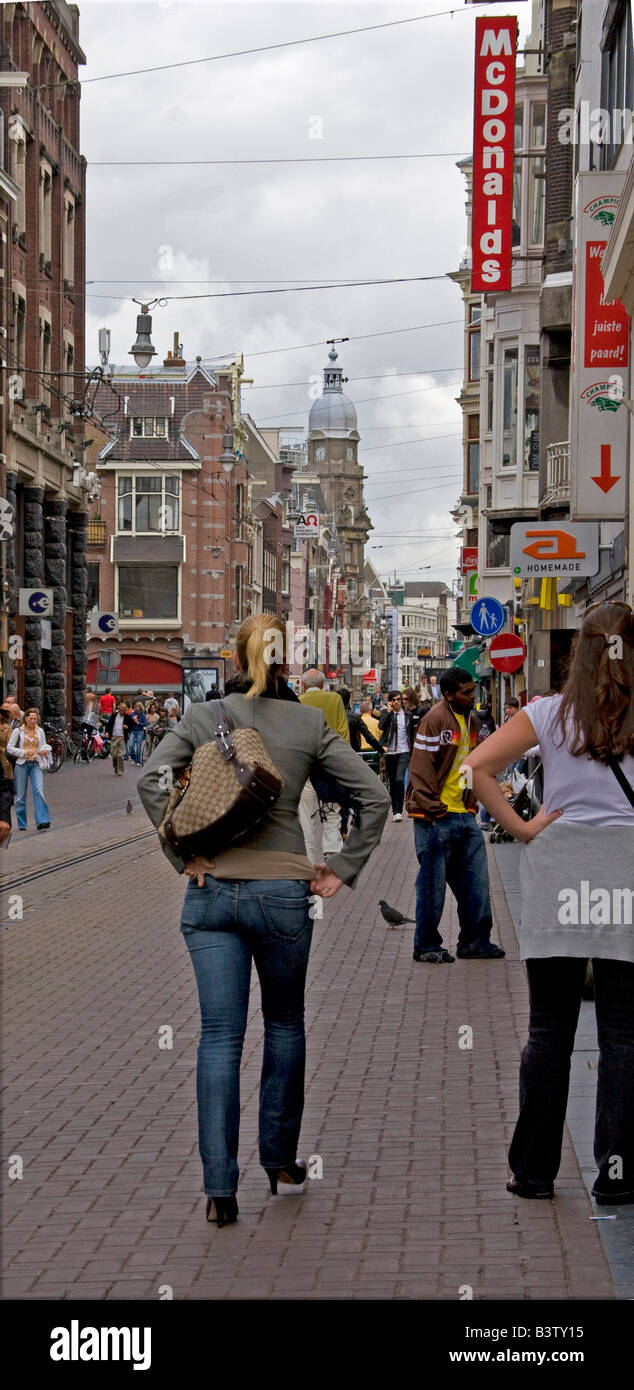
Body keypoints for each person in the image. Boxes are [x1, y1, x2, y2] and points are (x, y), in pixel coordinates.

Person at [137, 613, 390, 1228]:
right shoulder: (307, 721)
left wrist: (184, 855)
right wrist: (338, 870)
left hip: (212, 892)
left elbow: (152, 779)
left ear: (234, 655)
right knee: (284, 1024)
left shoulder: (202, 717)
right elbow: (375, 797)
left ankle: (220, 1190)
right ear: (285, 660)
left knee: (219, 1037)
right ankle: (279, 1163)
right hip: (281, 892)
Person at [463, 601, 634, 1204]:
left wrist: (524, 826)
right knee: (622, 1035)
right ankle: (617, 1175)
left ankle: (534, 1172)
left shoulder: (549, 713)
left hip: (559, 874)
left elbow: (478, 767)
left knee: (549, 1029)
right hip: (627, 877)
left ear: (578, 653)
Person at [405, 668, 505, 963]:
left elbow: (473, 763)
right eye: (466, 693)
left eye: (473, 691)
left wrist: (472, 802)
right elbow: (421, 765)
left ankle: (475, 941)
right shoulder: (435, 719)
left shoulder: (470, 720)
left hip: (463, 814)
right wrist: (432, 807)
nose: (472, 697)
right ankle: (426, 946)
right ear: (449, 695)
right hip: (436, 817)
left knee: (477, 884)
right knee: (432, 888)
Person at [298, 669, 349, 880]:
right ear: (322, 685)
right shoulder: (335, 699)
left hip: (306, 768)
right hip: (329, 766)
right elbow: (343, 734)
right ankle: (332, 856)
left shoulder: (297, 702)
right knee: (333, 813)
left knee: (306, 817)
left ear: (302, 685)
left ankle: (309, 862)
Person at [7, 708, 52, 831]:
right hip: (22, 765)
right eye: (31, 718)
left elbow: (43, 745)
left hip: (35, 765)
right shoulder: (18, 731)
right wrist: (24, 752)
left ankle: (42, 821)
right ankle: (22, 824)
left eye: (35, 719)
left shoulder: (40, 731)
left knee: (39, 791)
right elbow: (9, 748)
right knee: (20, 796)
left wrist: (44, 751)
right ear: (25, 718)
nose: (33, 721)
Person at [378, 690, 415, 821]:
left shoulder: (408, 715)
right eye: (393, 700)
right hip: (390, 752)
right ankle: (396, 811)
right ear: (390, 702)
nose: (396, 702)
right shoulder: (386, 714)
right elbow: (381, 726)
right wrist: (388, 712)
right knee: (393, 782)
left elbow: (412, 734)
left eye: (398, 699)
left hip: (403, 751)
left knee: (400, 779)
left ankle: (399, 809)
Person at [106, 701, 134, 775]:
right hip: (114, 736)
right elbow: (109, 724)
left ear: (125, 710)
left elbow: (131, 726)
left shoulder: (128, 717)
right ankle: (115, 766)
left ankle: (120, 771)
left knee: (120, 755)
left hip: (122, 737)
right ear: (119, 709)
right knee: (114, 754)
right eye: (121, 710)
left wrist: (127, 727)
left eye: (123, 710)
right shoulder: (114, 715)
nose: (122, 712)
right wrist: (107, 732)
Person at [128, 701, 148, 765]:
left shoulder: (143, 715)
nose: (137, 708)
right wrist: (132, 720)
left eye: (139, 706)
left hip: (140, 731)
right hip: (133, 731)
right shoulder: (132, 714)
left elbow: (145, 724)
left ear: (141, 707)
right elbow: (129, 723)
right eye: (136, 706)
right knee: (131, 746)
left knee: (139, 746)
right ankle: (134, 758)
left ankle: (138, 761)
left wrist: (138, 722)